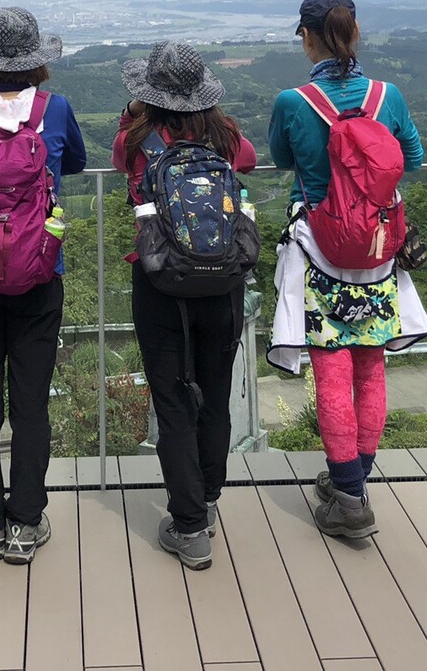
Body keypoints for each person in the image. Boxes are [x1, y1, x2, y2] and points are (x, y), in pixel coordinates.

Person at [267, 0, 424, 539]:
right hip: (379, 249)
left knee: (331, 372)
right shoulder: (389, 95)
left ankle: (349, 499)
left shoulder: (294, 101)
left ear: (307, 38)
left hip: (320, 249)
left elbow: (285, 159)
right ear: (354, 34)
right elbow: (415, 158)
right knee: (370, 368)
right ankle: (356, 482)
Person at [0, 7, 87, 564]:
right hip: (38, 273)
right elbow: (71, 160)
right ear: (36, 61)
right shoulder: (58, 108)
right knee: (30, 403)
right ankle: (26, 523)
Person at [112, 42, 257, 570]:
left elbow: (117, 159)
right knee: (214, 395)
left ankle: (190, 526)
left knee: (173, 401)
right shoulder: (227, 137)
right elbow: (251, 162)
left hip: (160, 281)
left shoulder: (136, 141)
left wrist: (132, 115)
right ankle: (208, 498)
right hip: (223, 280)